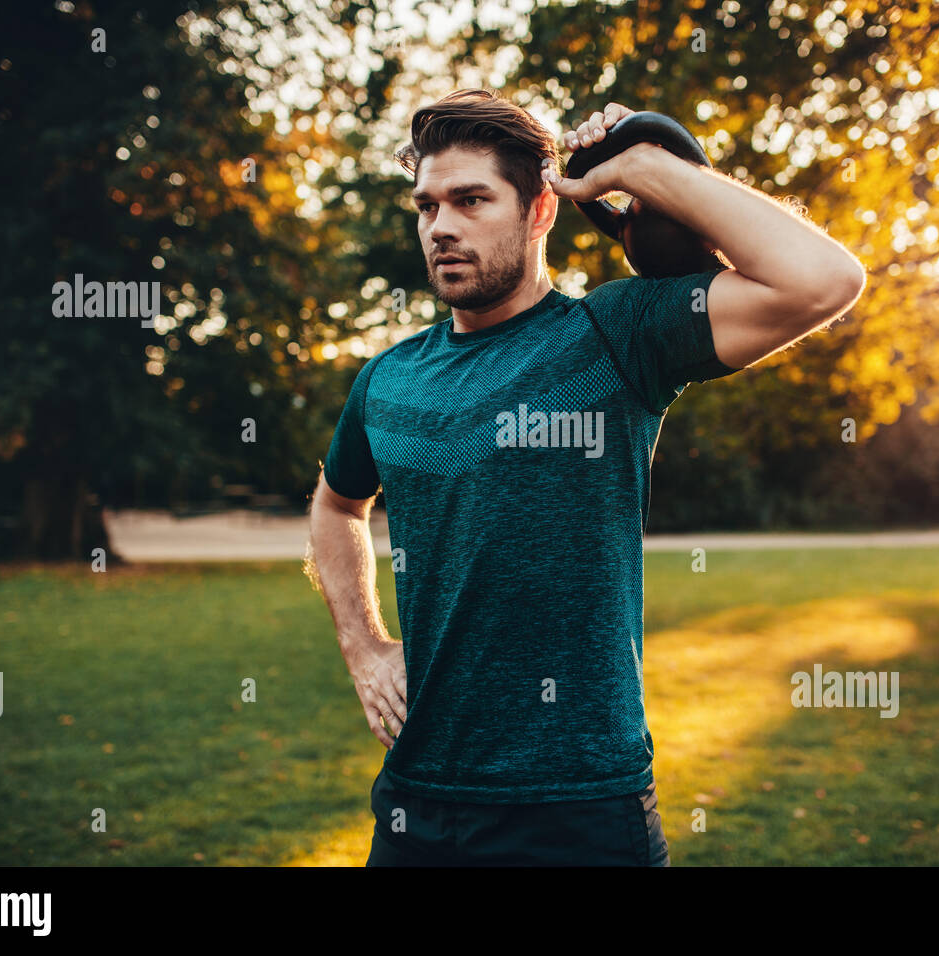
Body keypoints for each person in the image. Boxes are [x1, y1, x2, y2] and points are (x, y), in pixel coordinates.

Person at [308, 89, 865, 866]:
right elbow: (336, 506)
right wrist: (365, 646)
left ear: (542, 211)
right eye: (427, 206)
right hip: (417, 807)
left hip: (583, 808)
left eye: (471, 200)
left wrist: (646, 168)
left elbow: (822, 281)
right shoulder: (388, 379)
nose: (440, 227)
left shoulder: (615, 337)